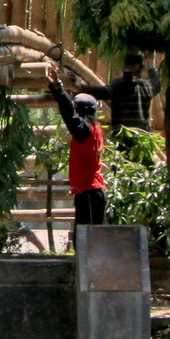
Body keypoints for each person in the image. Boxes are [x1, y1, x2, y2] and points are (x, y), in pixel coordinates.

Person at [48, 76, 108, 228]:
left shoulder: (85, 131)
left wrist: (59, 90)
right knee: (84, 237)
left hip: (89, 191)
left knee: (88, 237)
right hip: (89, 191)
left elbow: (70, 116)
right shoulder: (93, 129)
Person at [84, 53, 159, 133]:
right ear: (141, 68)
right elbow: (157, 83)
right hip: (142, 135)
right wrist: (151, 66)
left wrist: (78, 86)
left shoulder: (119, 86)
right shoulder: (147, 86)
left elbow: (102, 92)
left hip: (122, 138)